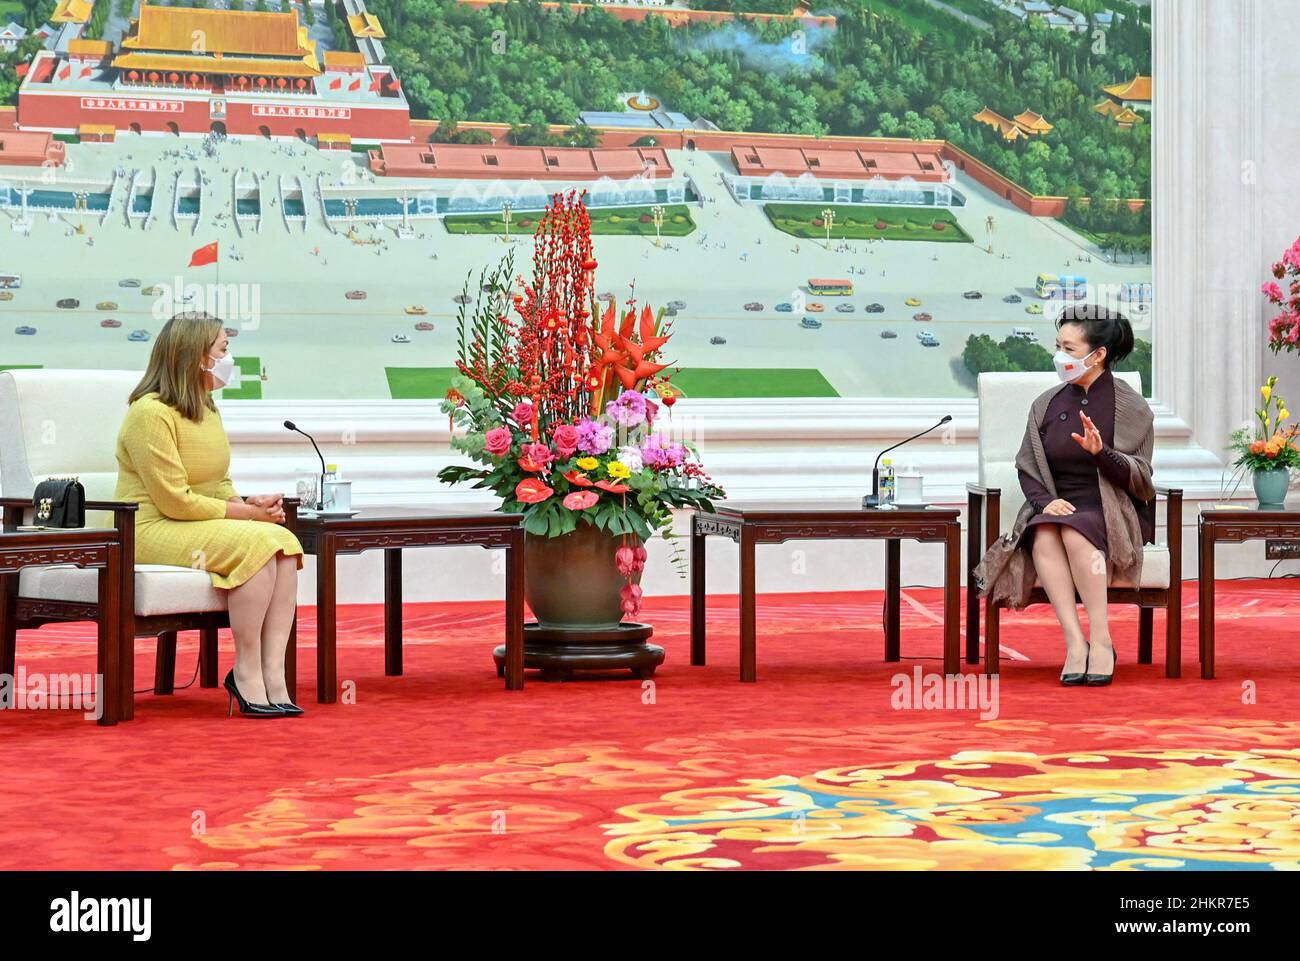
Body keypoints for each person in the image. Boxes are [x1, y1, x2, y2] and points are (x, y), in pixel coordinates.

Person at [115, 313, 305, 717]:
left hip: (194, 523)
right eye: (223, 349)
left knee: (284, 542)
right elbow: (175, 502)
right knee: (259, 541)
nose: (228, 358)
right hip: (148, 528)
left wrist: (250, 504)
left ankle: (274, 672)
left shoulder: (206, 407)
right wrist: (248, 518)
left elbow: (217, 483)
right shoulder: (149, 414)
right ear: (195, 356)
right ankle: (247, 669)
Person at [973, 306, 1155, 687]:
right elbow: (1027, 465)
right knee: (1044, 532)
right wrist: (1043, 503)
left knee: (1074, 532)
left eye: (1069, 349)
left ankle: (1102, 640)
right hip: (1057, 503)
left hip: (1111, 506)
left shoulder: (1131, 407)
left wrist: (1100, 453)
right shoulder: (1047, 403)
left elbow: (1140, 478)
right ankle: (1075, 643)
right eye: (1058, 346)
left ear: (1098, 354)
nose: (1060, 357)